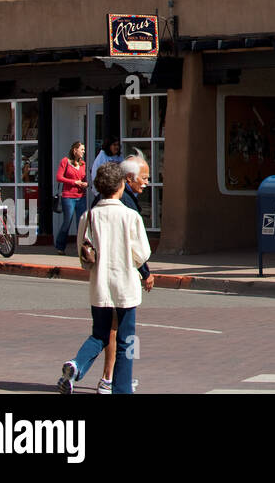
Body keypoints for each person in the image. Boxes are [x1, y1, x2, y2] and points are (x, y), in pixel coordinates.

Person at [55, 161, 150, 395]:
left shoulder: (88, 216)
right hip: (125, 287)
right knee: (126, 341)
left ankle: (77, 364)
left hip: (100, 287)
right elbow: (142, 254)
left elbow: (83, 254)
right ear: (120, 186)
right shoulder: (130, 216)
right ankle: (121, 388)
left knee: (99, 333)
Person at [93, 153, 155, 393]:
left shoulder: (100, 207)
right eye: (144, 178)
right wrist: (145, 273)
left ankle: (109, 377)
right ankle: (112, 380)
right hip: (120, 280)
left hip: (103, 280)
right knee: (117, 331)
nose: (147, 183)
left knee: (109, 329)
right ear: (127, 179)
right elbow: (137, 249)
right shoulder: (126, 207)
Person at [54, 141, 88, 254]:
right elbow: (59, 177)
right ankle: (60, 246)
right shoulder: (65, 161)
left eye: (84, 150)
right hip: (68, 196)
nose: (83, 151)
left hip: (81, 196)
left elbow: (84, 179)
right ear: (75, 150)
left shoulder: (83, 164)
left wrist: (85, 184)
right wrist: (75, 182)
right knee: (67, 221)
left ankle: (81, 248)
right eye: (82, 149)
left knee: (81, 223)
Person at [89, 138, 123, 213]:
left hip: (117, 190)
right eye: (114, 145)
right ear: (109, 146)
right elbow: (95, 173)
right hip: (104, 191)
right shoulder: (102, 156)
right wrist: (99, 190)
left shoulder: (119, 157)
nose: (116, 147)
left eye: (118, 145)